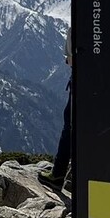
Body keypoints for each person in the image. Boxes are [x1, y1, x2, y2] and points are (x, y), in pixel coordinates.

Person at [42, 30, 73, 190]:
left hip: (82, 84)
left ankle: (58, 174)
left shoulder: (78, 26)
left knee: (69, 128)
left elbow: (71, 60)